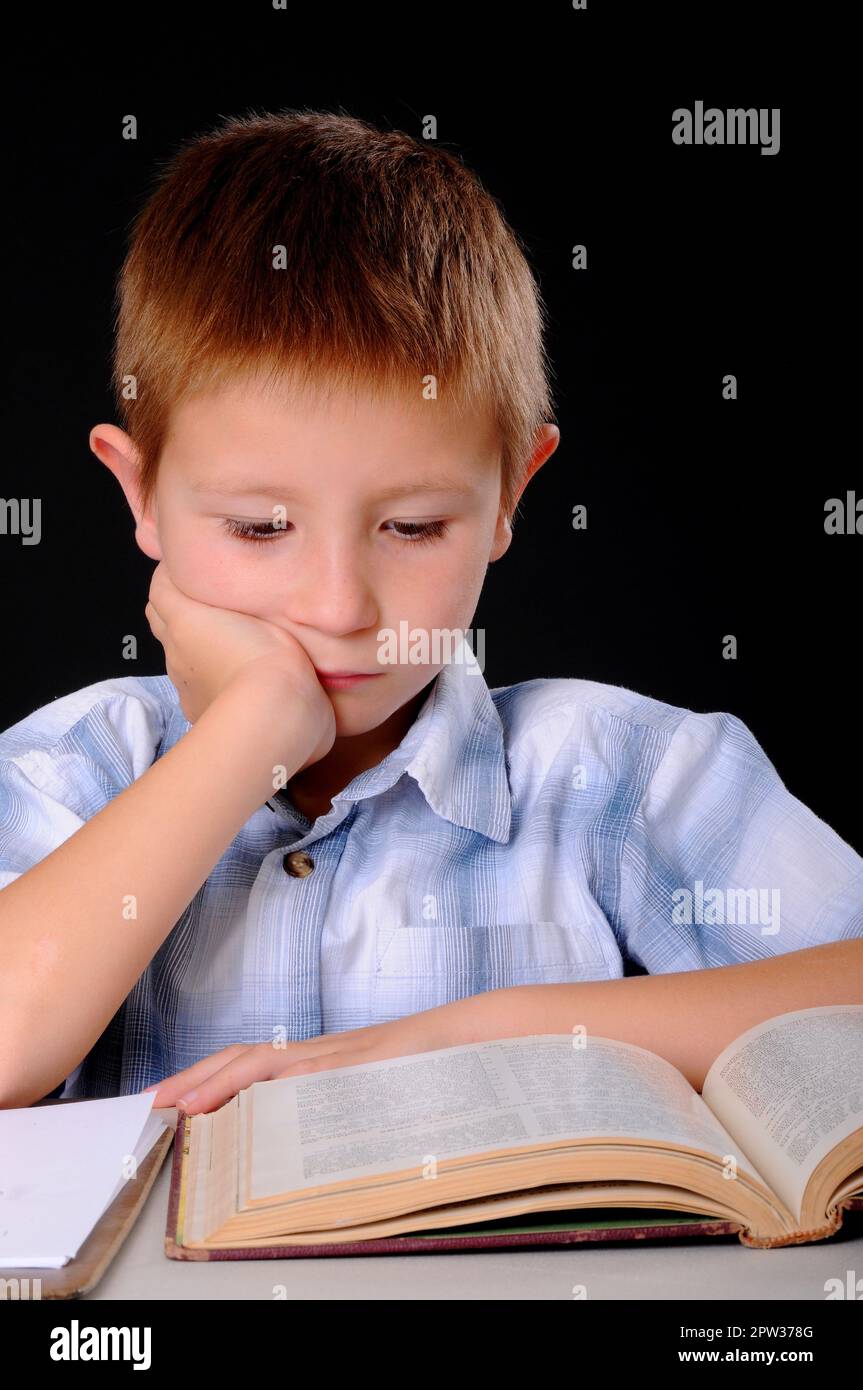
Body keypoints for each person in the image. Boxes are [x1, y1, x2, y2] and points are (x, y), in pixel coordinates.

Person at [1, 110, 860, 1113]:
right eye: (258, 528)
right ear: (140, 493)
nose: (337, 605)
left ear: (508, 494)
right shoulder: (72, 770)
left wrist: (466, 1036)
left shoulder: (619, 773)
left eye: (410, 528)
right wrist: (250, 729)